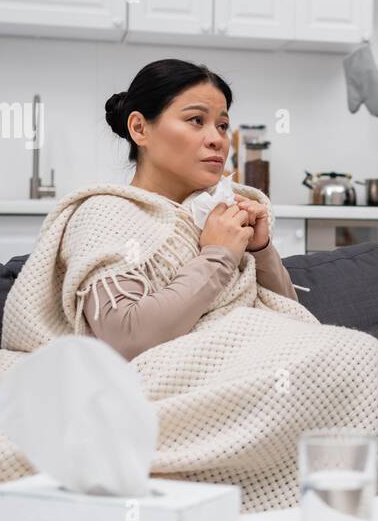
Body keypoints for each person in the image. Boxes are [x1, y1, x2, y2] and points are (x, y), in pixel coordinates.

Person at [87, 59, 298, 360]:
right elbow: (125, 336)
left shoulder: (222, 213)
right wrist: (218, 256)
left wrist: (261, 250)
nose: (217, 140)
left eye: (222, 126)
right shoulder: (106, 214)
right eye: (196, 120)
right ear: (139, 128)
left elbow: (293, 318)